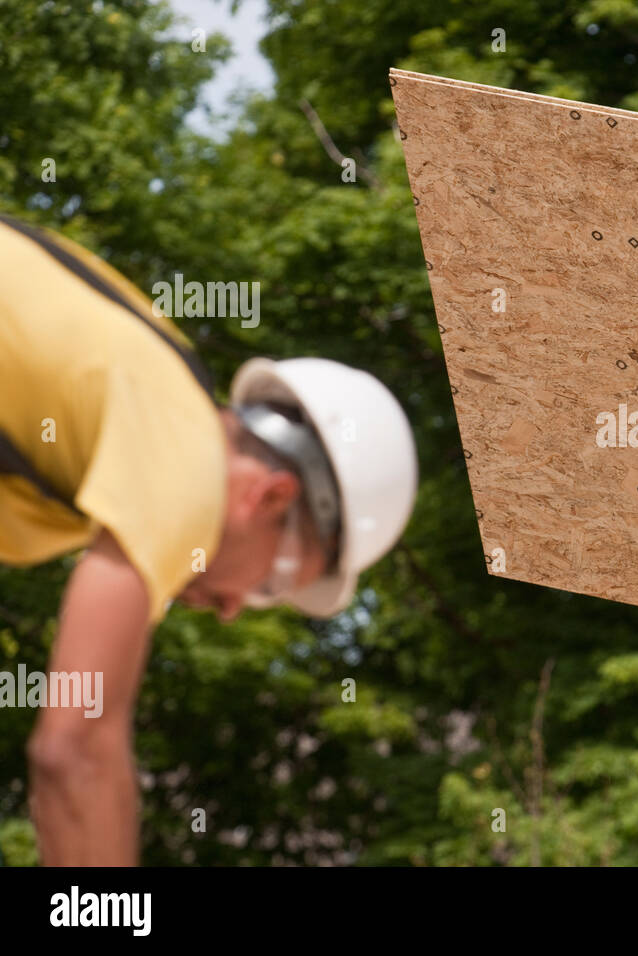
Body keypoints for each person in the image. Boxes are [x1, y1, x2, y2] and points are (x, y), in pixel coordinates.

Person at [0, 215, 418, 865]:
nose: (231, 608)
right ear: (271, 495)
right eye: (274, 581)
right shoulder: (183, 467)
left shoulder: (132, 429)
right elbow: (75, 750)